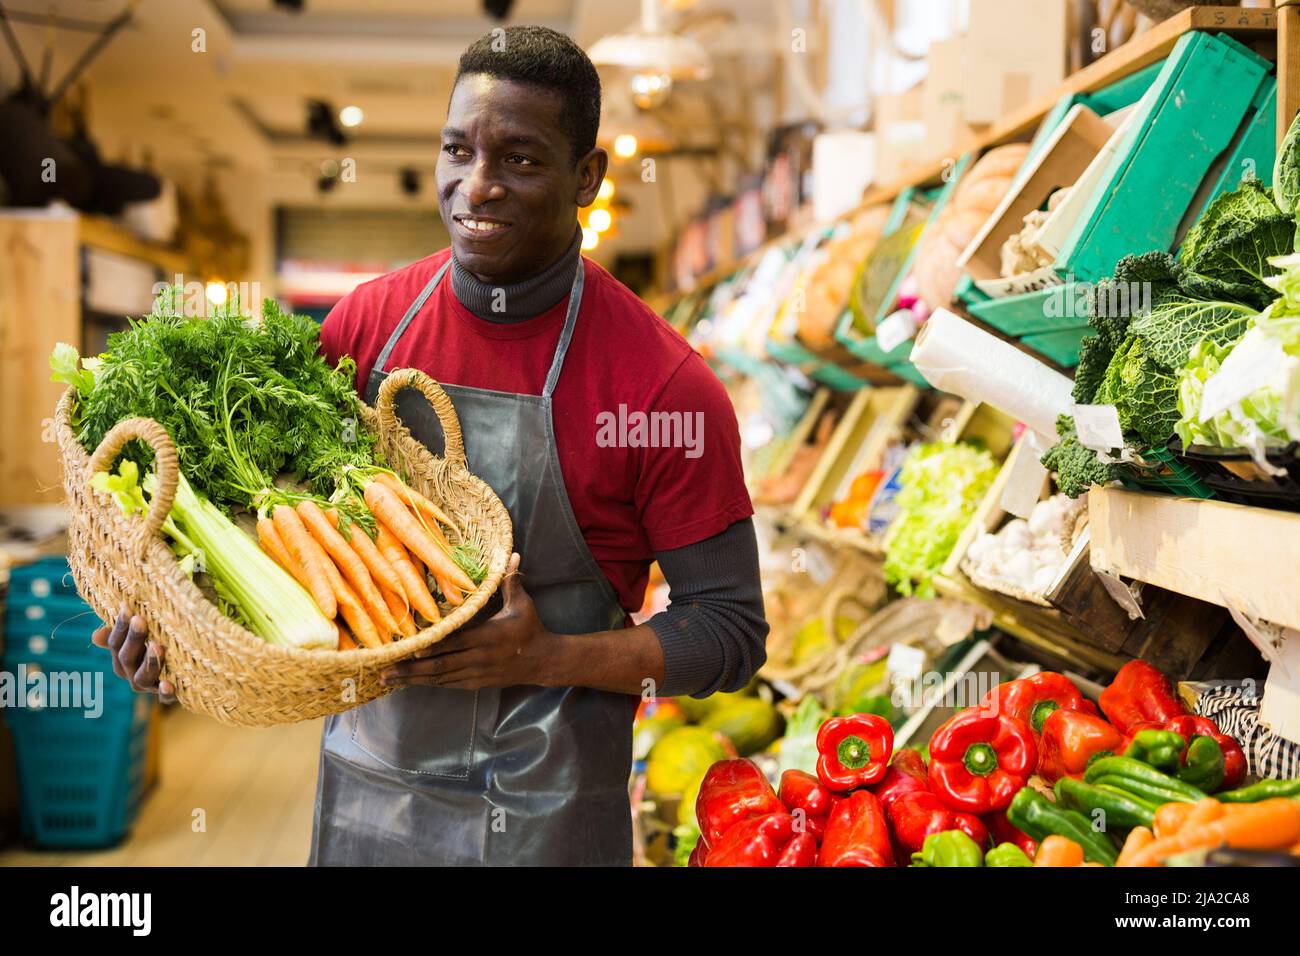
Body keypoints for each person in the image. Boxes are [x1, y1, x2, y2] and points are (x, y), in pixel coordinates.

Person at [92, 24, 768, 866]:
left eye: (520, 159)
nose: (474, 187)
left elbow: (730, 632)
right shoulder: (367, 327)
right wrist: (180, 638)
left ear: (586, 178)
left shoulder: (663, 388)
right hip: (367, 796)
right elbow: (266, 529)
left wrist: (549, 655)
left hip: (550, 817)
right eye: (458, 149)